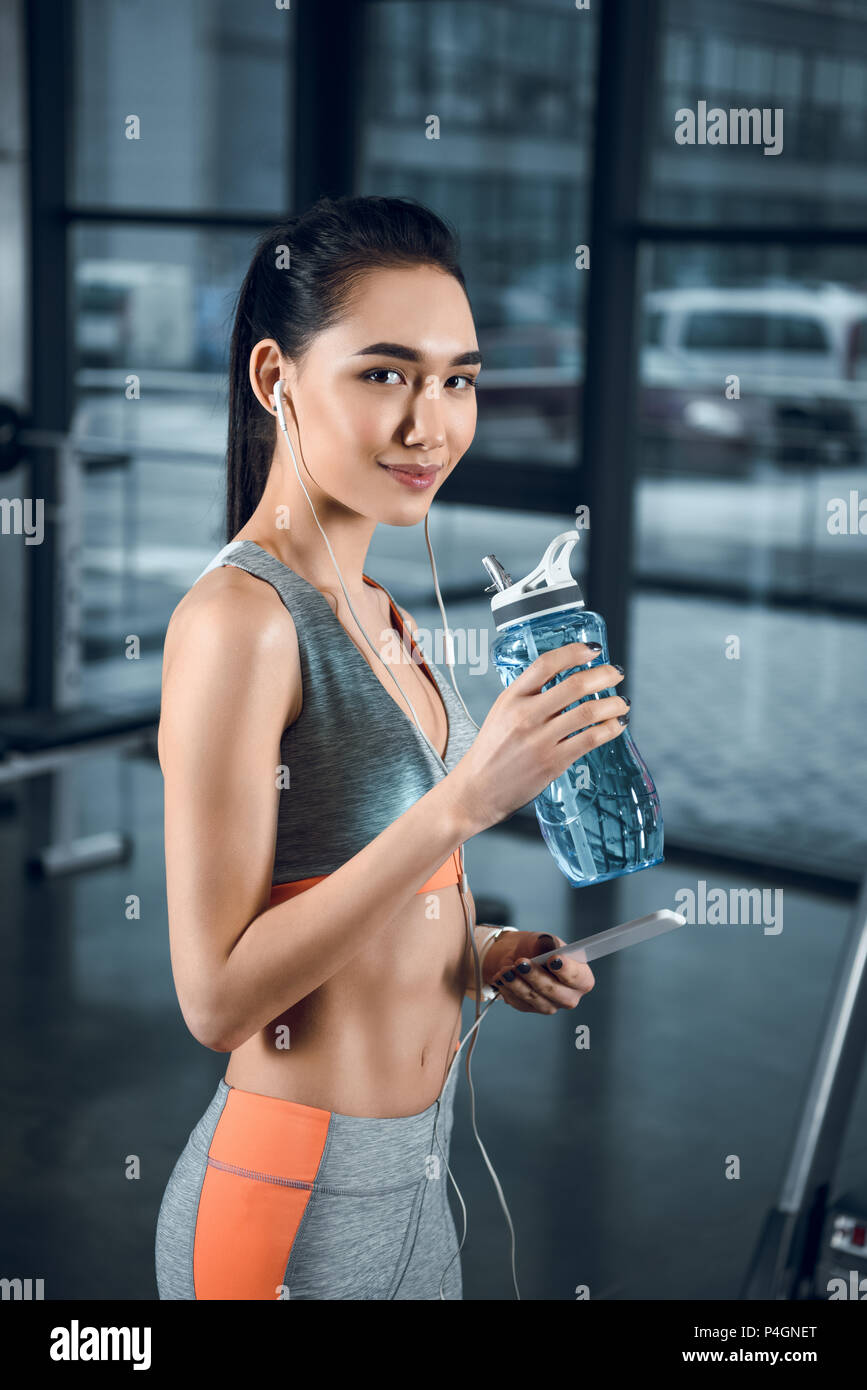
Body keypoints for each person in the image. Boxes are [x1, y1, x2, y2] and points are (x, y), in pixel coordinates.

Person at [154, 194, 629, 1300]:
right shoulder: (240, 620)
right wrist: (464, 800)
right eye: (384, 373)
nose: (433, 423)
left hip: (417, 1186)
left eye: (457, 378)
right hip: (290, 1201)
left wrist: (485, 950)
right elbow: (217, 999)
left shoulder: (381, 606)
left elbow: (358, 897)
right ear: (276, 379)